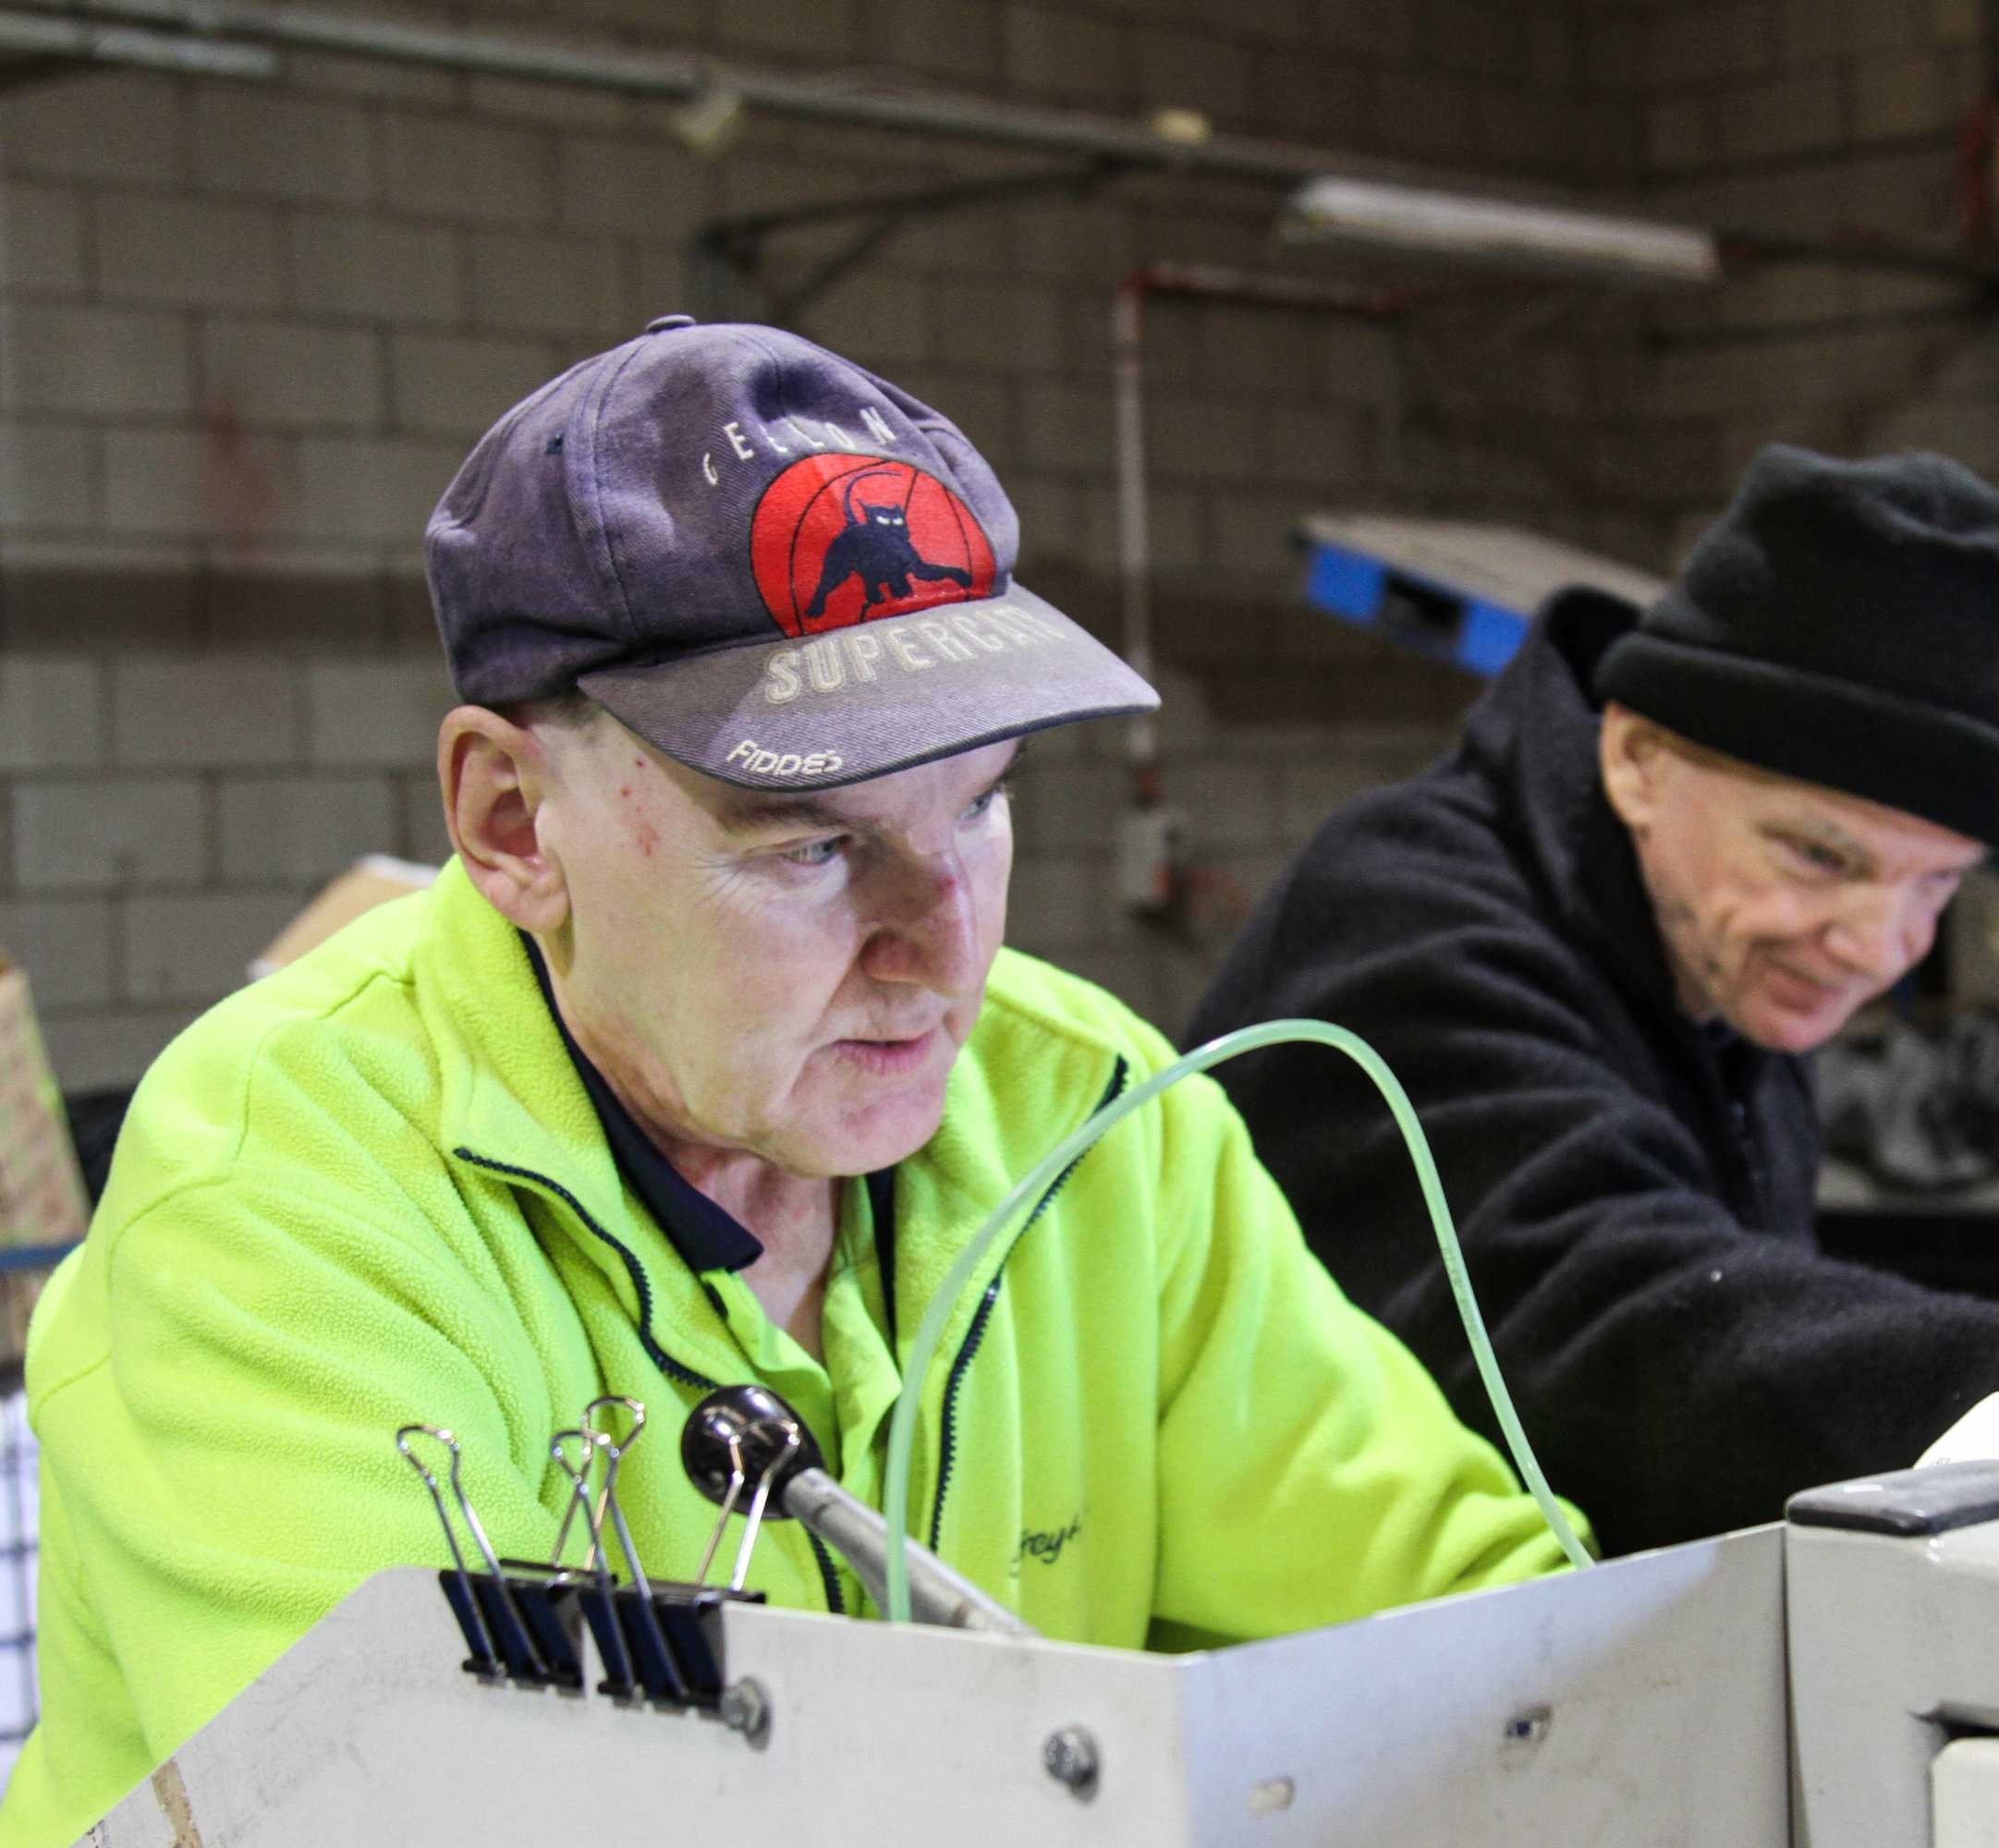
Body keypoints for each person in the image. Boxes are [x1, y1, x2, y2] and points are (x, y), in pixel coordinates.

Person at [0, 320, 1578, 1848]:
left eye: (980, 807)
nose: (943, 951)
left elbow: (1498, 1653)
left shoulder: (1090, 1118)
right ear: (511, 824)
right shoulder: (285, 1200)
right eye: (815, 846)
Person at [1186, 445, 1999, 1561]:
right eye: (1820, 854)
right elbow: (1615, 1332)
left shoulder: (1719, 954)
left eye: (1936, 883)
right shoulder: (1406, 921)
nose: (1878, 946)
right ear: (1639, 760)